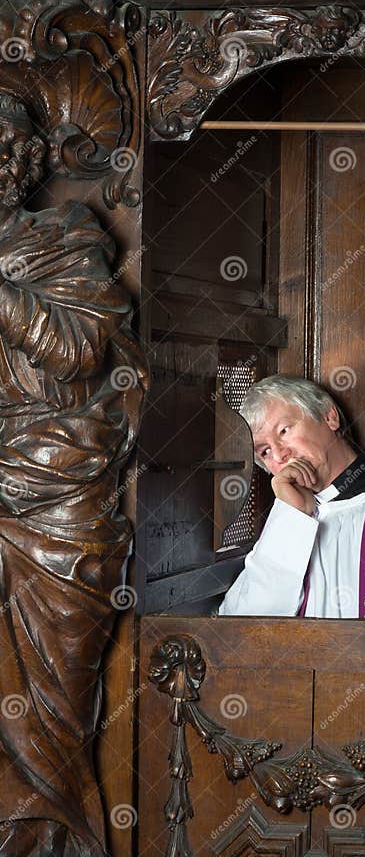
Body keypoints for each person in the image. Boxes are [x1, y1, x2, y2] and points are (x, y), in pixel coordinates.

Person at [0, 94, 148, 856]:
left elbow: (80, 350)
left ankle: (48, 843)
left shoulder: (61, 237)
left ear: (27, 166)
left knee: (56, 710)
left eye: (7, 149)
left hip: (57, 493)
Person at [219, 375, 365, 619]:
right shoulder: (282, 531)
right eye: (265, 451)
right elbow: (240, 628)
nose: (279, 455)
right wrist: (292, 517)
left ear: (329, 417)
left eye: (284, 430)